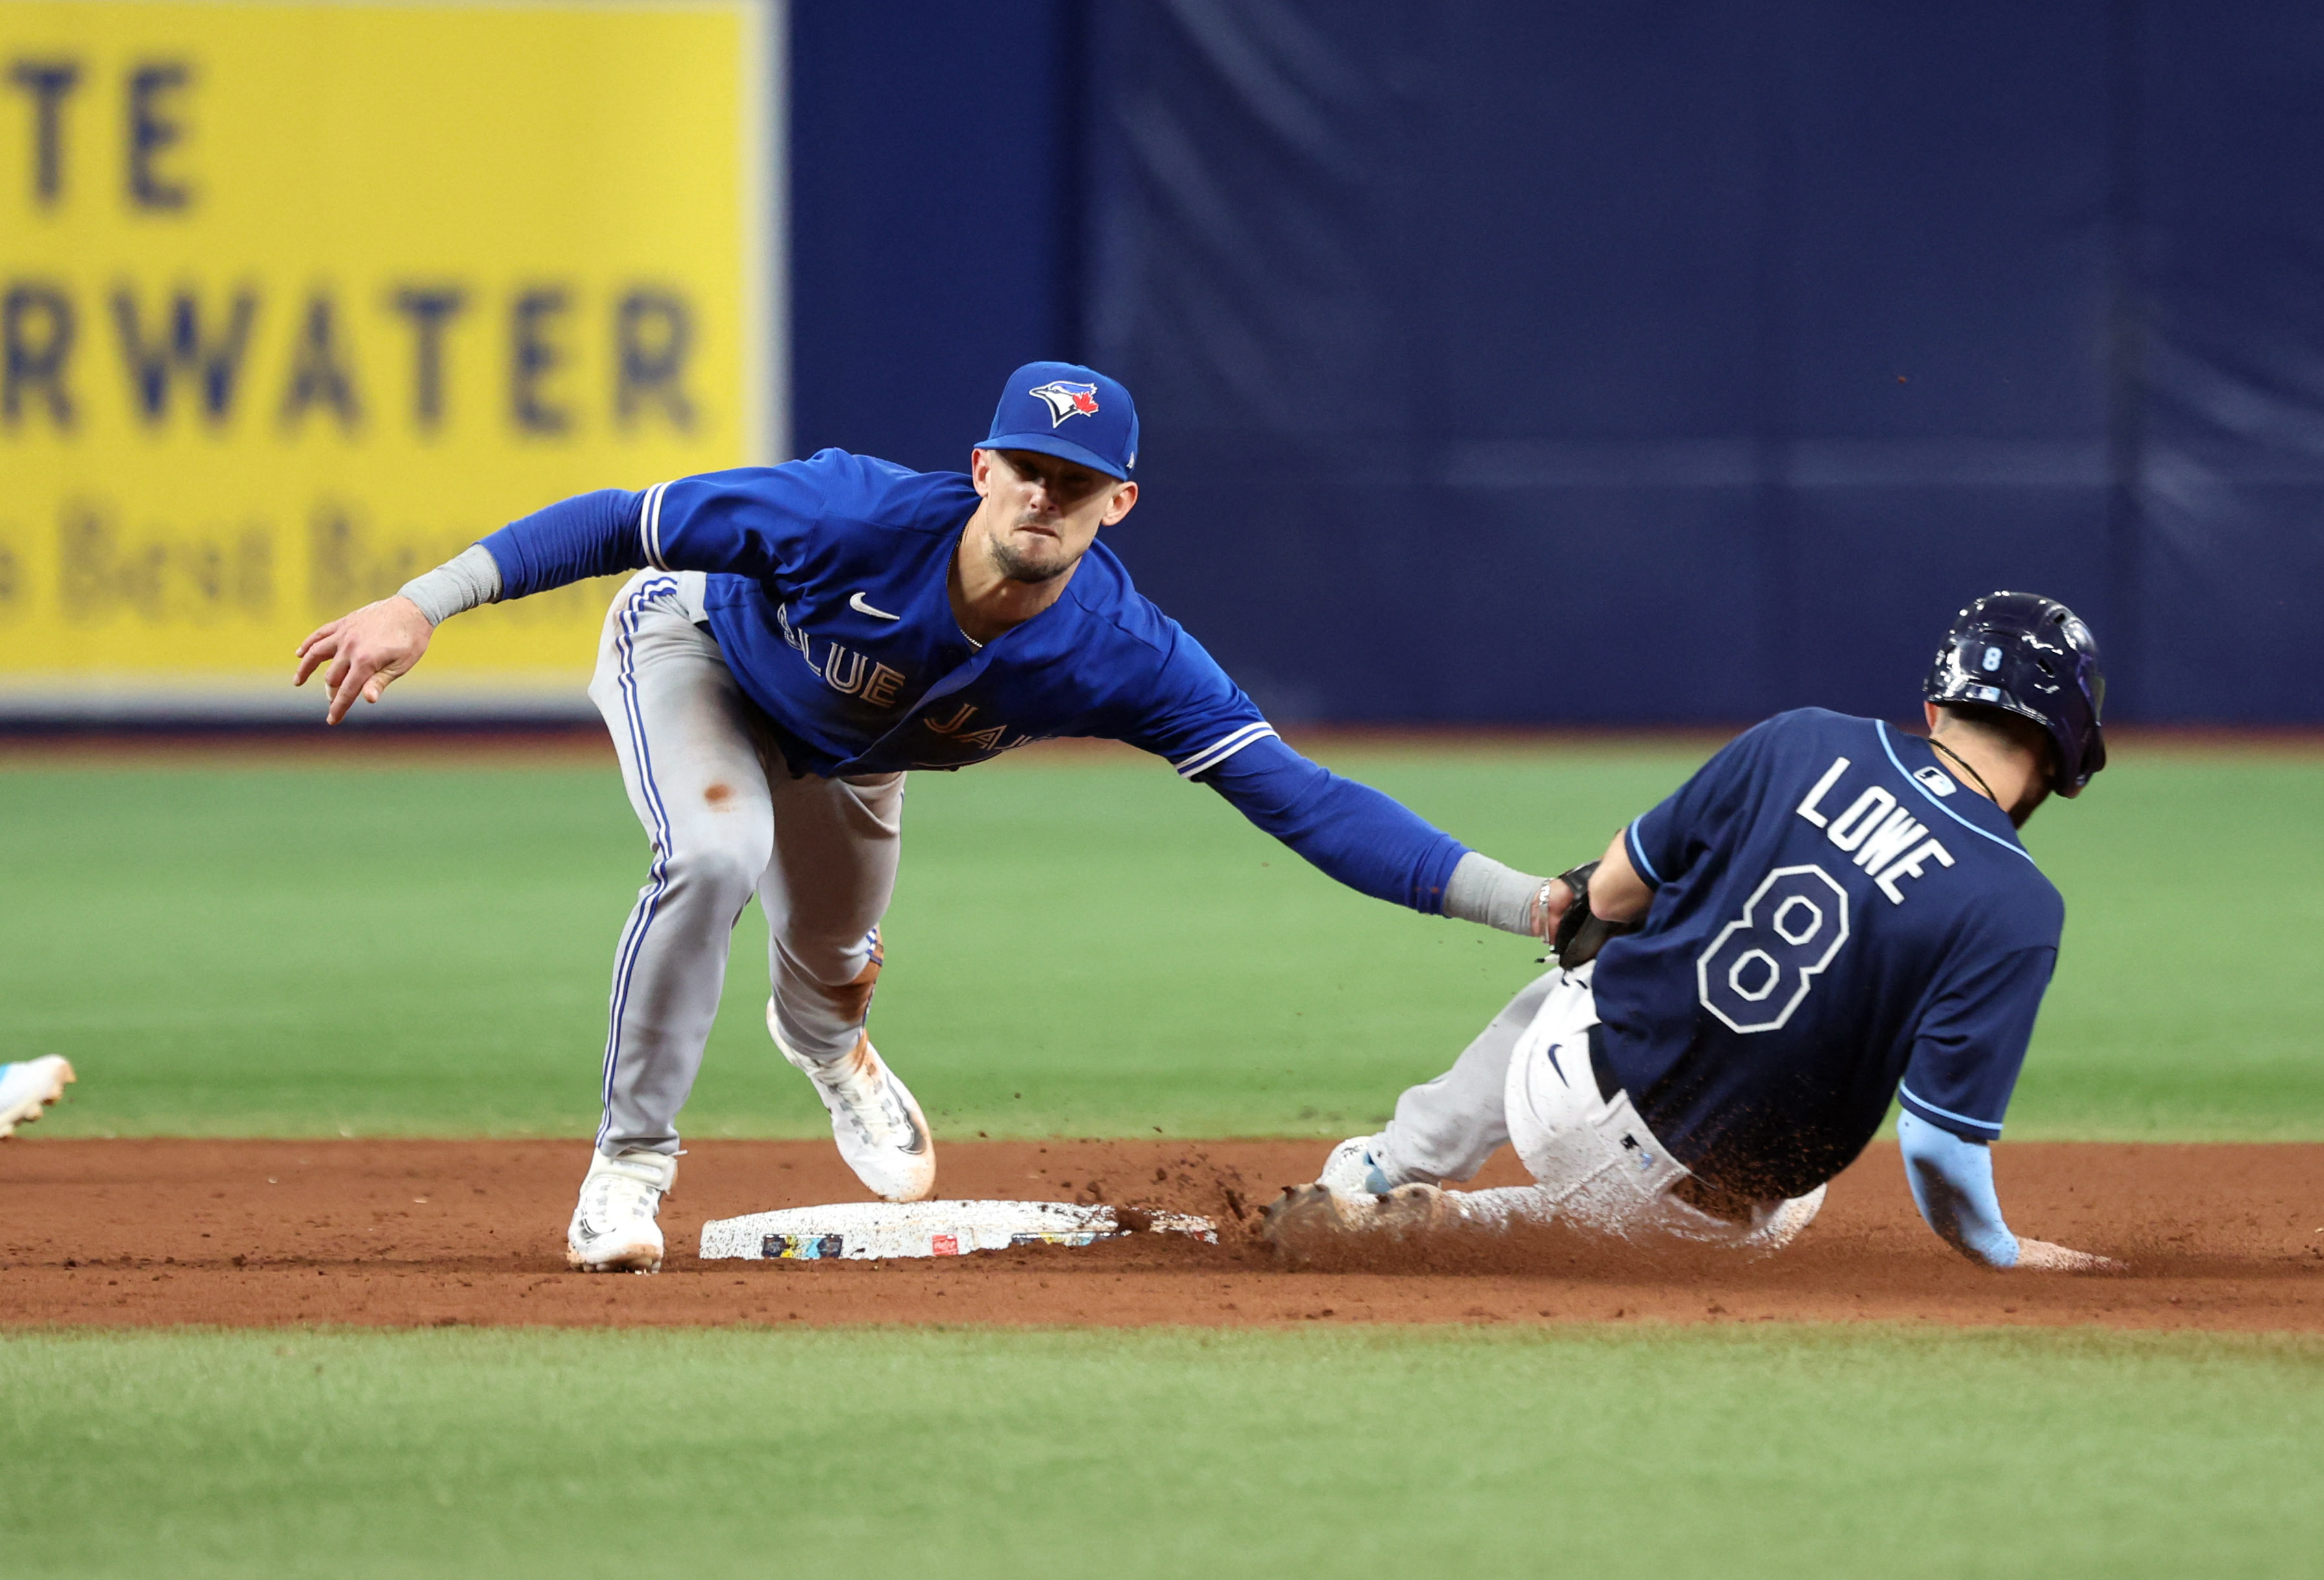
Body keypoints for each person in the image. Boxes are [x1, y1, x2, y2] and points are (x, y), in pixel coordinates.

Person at [293, 362, 1566, 1272]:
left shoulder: (1118, 651)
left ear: (1117, 504)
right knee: (715, 854)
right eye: (1025, 469)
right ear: (980, 469)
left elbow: (1304, 800)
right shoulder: (846, 512)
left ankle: (829, 1040)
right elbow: (619, 522)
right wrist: (425, 602)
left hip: (854, 757)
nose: (1042, 499)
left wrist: (1537, 905)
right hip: (697, 657)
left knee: (832, 967)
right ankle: (629, 1168)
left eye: (1077, 484)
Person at [1267, 592, 2122, 1274]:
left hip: (1560, 1085)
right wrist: (1998, 1251)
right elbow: (1937, 1147)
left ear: (1934, 704)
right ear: (2064, 758)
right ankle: (1452, 1226)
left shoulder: (1802, 738)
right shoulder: (2016, 906)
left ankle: (1380, 1166)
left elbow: (1610, 889)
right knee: (1788, 1203)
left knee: (1587, 966)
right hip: (1684, 1207)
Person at [0, 1054, 73, 1139]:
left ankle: (6, 1127)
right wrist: (57, 1087)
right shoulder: (50, 1068)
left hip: (11, 1080)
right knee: (33, 1111)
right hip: (17, 1096)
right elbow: (61, 1064)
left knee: (33, 1111)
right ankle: (5, 1127)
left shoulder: (36, 1073)